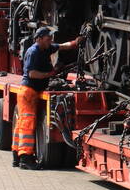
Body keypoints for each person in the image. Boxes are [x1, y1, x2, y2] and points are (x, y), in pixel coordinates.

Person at [14, 26, 83, 171]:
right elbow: (32, 73)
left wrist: (75, 42)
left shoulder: (47, 48)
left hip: (33, 91)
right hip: (29, 92)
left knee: (22, 124)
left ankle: (17, 156)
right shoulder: (33, 52)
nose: (50, 40)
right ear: (39, 39)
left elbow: (62, 47)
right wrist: (50, 74)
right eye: (47, 38)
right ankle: (25, 159)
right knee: (27, 125)